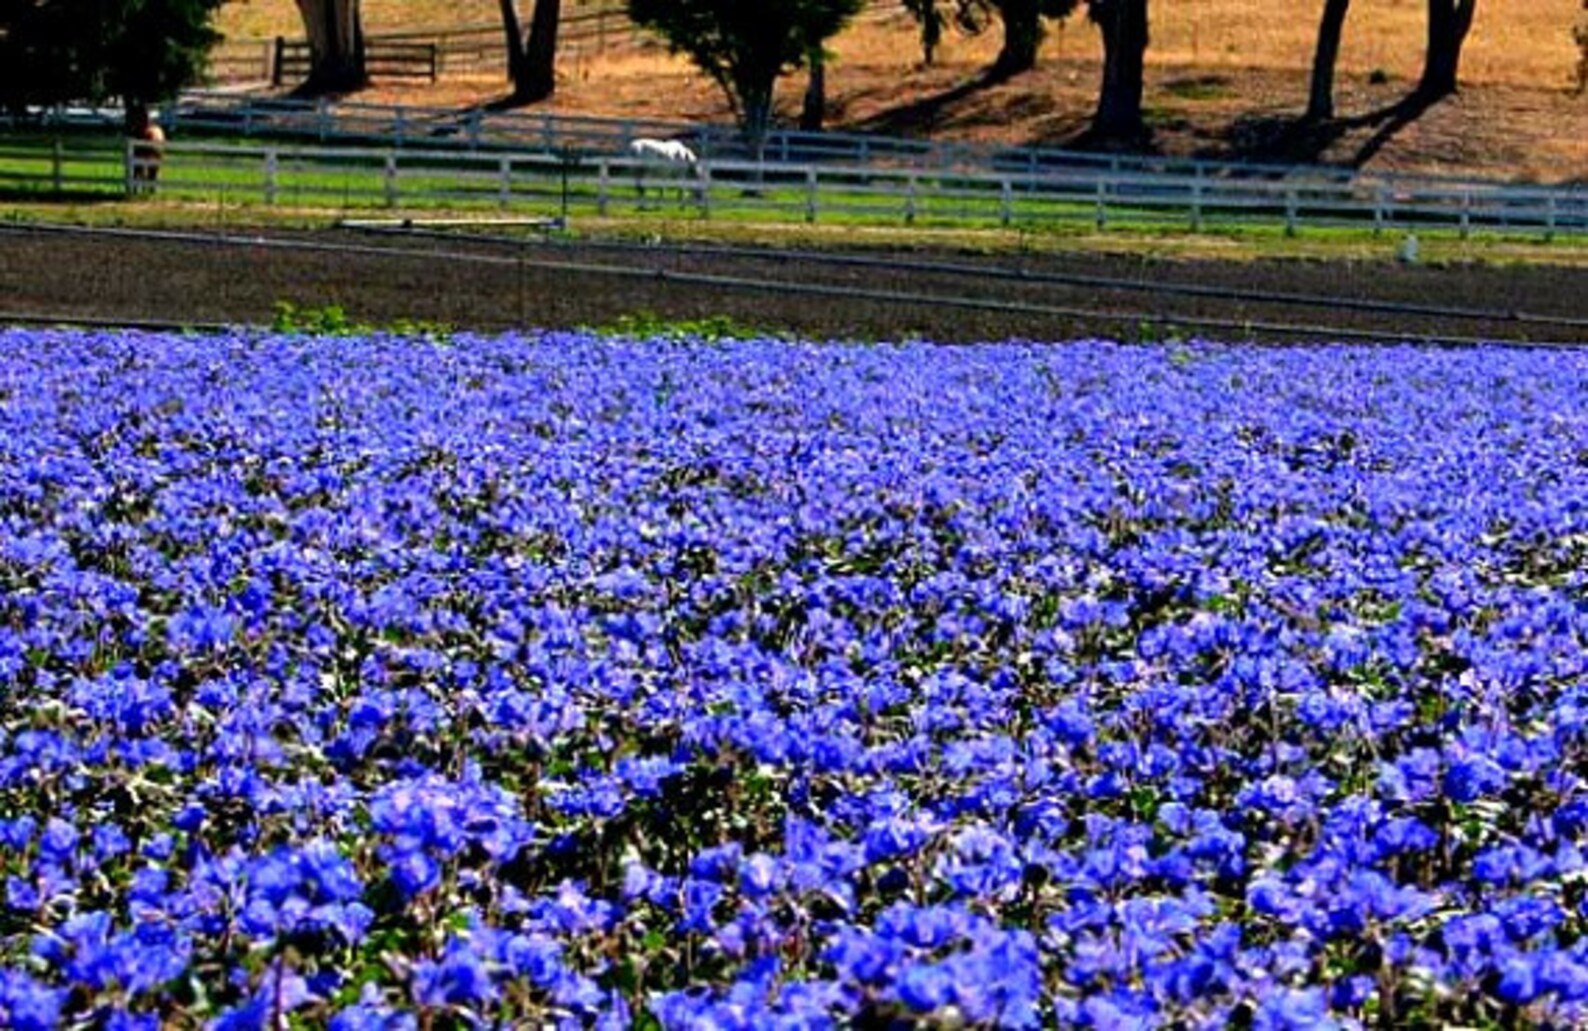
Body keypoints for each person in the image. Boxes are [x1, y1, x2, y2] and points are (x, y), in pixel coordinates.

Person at [129, 104, 166, 192]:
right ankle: (136, 187)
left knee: (152, 168)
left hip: (154, 147)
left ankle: (151, 187)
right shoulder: (137, 134)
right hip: (148, 144)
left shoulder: (153, 132)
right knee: (137, 167)